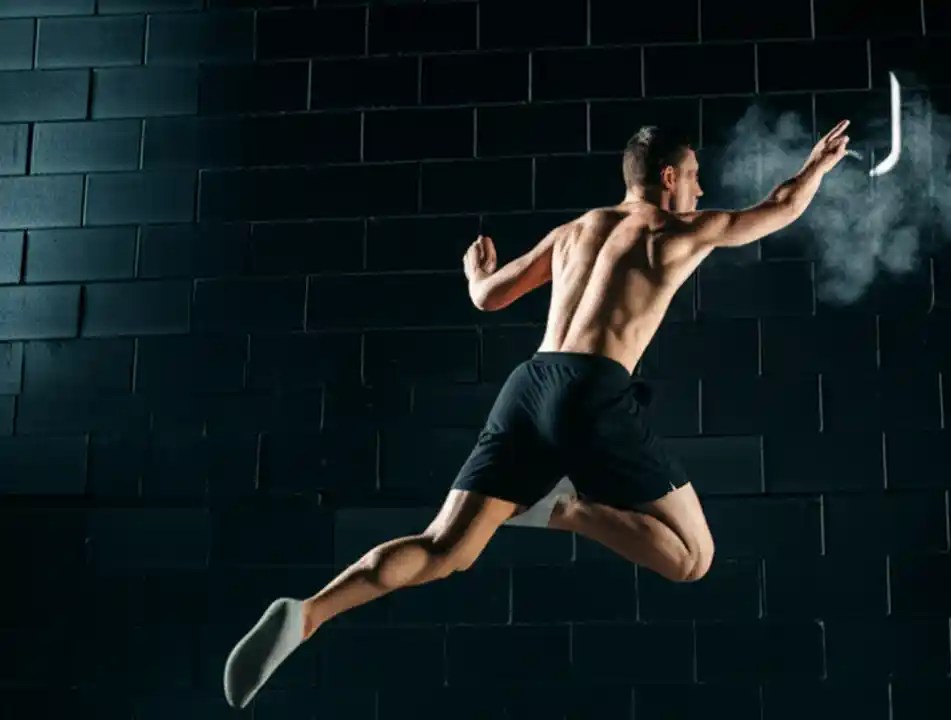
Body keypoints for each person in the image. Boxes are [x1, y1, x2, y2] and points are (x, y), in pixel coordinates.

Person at [222, 119, 853, 708]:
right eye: (693, 175)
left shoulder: (576, 230)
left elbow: (488, 297)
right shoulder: (676, 232)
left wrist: (475, 274)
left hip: (528, 384)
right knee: (693, 559)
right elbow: (780, 208)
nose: (700, 187)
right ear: (668, 178)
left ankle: (308, 614)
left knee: (445, 549)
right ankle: (564, 509)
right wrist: (817, 168)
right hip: (592, 389)